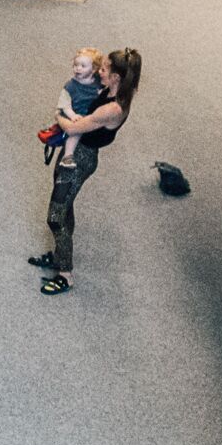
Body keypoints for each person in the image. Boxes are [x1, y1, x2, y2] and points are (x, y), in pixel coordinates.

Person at [29, 44, 140, 296]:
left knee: (56, 216)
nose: (100, 70)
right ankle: (59, 255)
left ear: (116, 78)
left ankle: (65, 274)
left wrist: (58, 115)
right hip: (74, 154)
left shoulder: (112, 108)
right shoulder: (108, 90)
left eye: (105, 69)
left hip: (80, 160)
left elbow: (73, 128)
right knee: (64, 207)